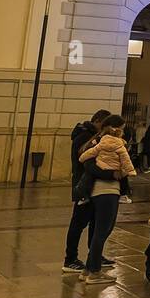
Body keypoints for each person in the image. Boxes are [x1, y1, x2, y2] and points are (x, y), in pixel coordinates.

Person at [77, 115, 136, 285]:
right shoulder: (107, 143)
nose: (123, 132)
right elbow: (91, 165)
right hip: (107, 191)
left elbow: (85, 159)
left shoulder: (98, 143)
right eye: (122, 128)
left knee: (99, 231)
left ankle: (88, 268)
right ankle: (95, 272)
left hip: (98, 192)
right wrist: (116, 173)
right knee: (102, 231)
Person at [63, 109, 113, 272]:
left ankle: (95, 255)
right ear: (97, 121)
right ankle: (70, 259)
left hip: (93, 186)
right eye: (105, 125)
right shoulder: (83, 137)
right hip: (83, 186)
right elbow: (85, 162)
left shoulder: (90, 136)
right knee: (78, 224)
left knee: (95, 222)